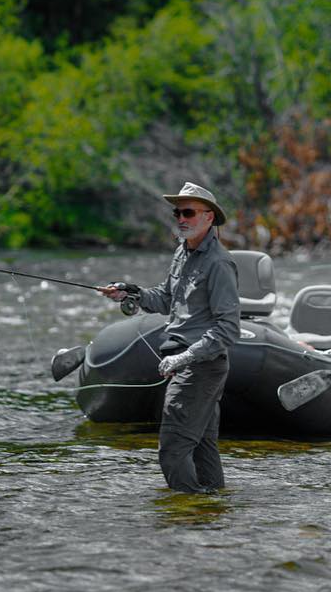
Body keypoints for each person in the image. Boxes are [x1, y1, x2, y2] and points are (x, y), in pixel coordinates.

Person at [98, 182, 240, 493]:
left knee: (172, 450)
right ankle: (211, 513)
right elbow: (164, 299)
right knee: (203, 447)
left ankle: (187, 514)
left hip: (199, 367)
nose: (180, 218)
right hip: (190, 365)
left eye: (188, 212)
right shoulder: (182, 253)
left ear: (209, 218)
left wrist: (185, 357)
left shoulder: (219, 263)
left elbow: (229, 329)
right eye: (177, 212)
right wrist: (131, 292)